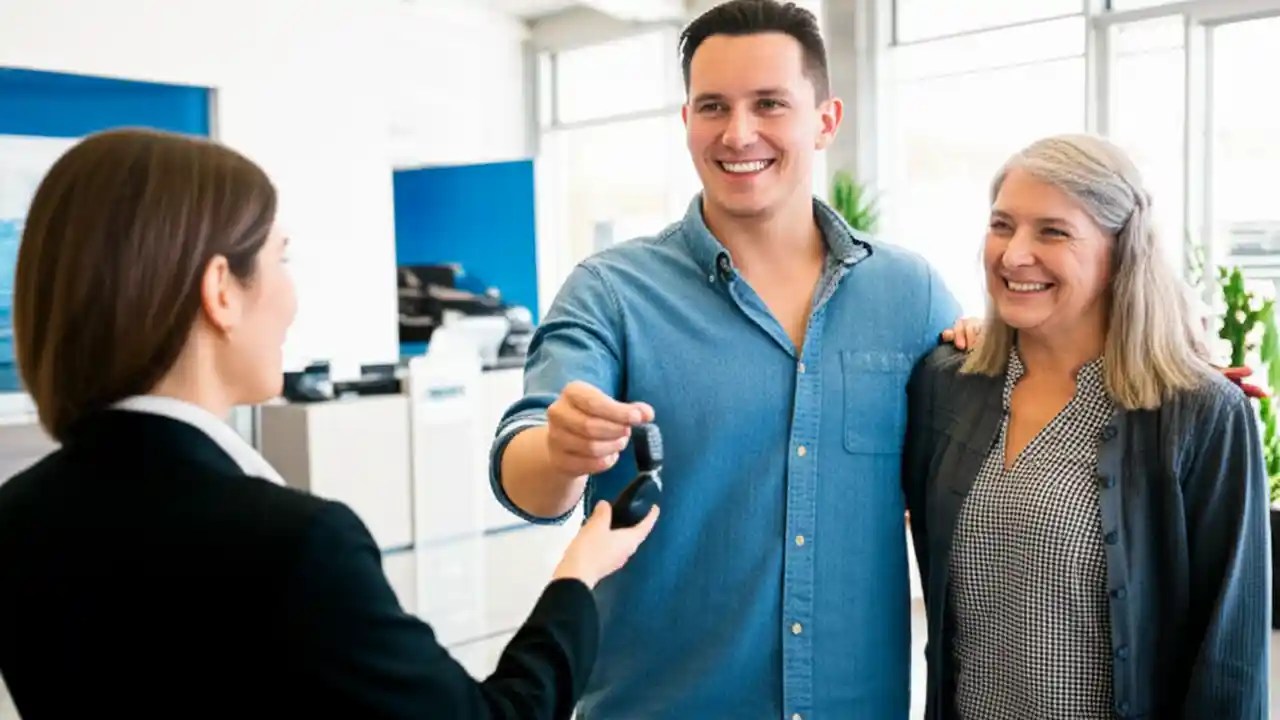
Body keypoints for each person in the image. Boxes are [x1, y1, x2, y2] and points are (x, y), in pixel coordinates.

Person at [0, 128, 658, 719]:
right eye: (281, 258)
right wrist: (577, 577)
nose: (292, 297)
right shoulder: (293, 545)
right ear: (221, 290)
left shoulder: (18, 518)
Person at [488, 1, 974, 717]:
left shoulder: (910, 295)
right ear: (687, 119)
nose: (738, 133)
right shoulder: (611, 292)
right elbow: (528, 476)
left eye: (769, 104)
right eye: (713, 106)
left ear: (825, 120)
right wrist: (561, 452)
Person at [903, 133, 1270, 719]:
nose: (1013, 255)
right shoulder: (945, 384)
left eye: (1053, 231)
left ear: (1121, 252)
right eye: (1002, 225)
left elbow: (1229, 660)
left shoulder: (1200, 412)